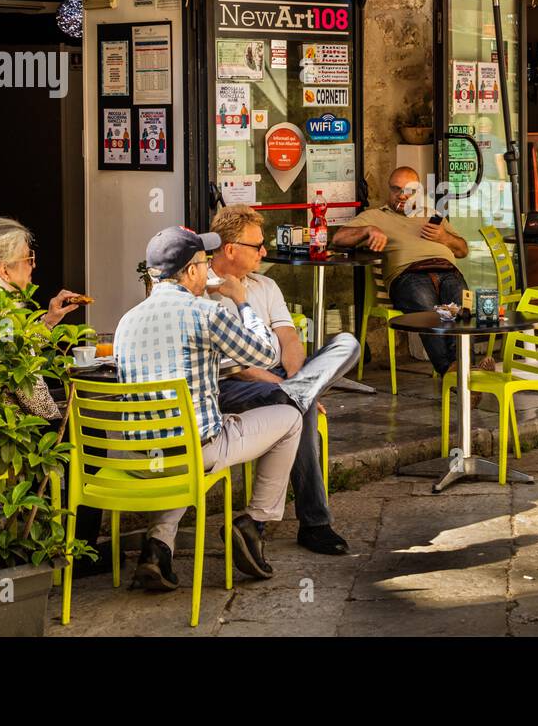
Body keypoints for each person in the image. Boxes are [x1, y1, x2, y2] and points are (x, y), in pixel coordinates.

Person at [115, 226, 301, 591]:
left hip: (137, 457)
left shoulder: (126, 321)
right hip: (194, 452)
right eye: (203, 263)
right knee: (291, 417)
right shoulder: (207, 313)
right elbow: (267, 353)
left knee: (186, 439)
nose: (207, 271)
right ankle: (253, 522)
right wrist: (242, 300)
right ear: (191, 271)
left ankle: (158, 547)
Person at [208, 205, 360, 556]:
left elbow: (289, 338)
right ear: (230, 248)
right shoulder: (205, 293)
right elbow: (238, 367)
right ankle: (314, 524)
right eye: (257, 245)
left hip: (281, 378)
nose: (264, 251)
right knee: (299, 408)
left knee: (347, 343)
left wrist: (296, 380)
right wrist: (291, 391)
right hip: (233, 384)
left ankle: (299, 393)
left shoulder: (266, 284)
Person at [0, 216, 105, 572]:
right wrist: (61, 412)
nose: (33, 266)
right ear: (4, 270)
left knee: (76, 426)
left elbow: (12, 360)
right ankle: (77, 549)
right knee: (89, 434)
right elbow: (29, 391)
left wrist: (48, 321)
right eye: (28, 259)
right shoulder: (0, 313)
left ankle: (53, 537)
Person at [331, 166, 470, 375]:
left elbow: (462, 250)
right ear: (389, 190)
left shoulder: (431, 214)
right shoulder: (375, 216)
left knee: (462, 313)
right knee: (431, 314)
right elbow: (338, 239)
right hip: (408, 276)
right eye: (396, 189)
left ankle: (461, 369)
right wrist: (368, 230)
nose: (402, 195)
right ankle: (457, 372)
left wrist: (444, 238)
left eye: (409, 190)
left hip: (447, 271)